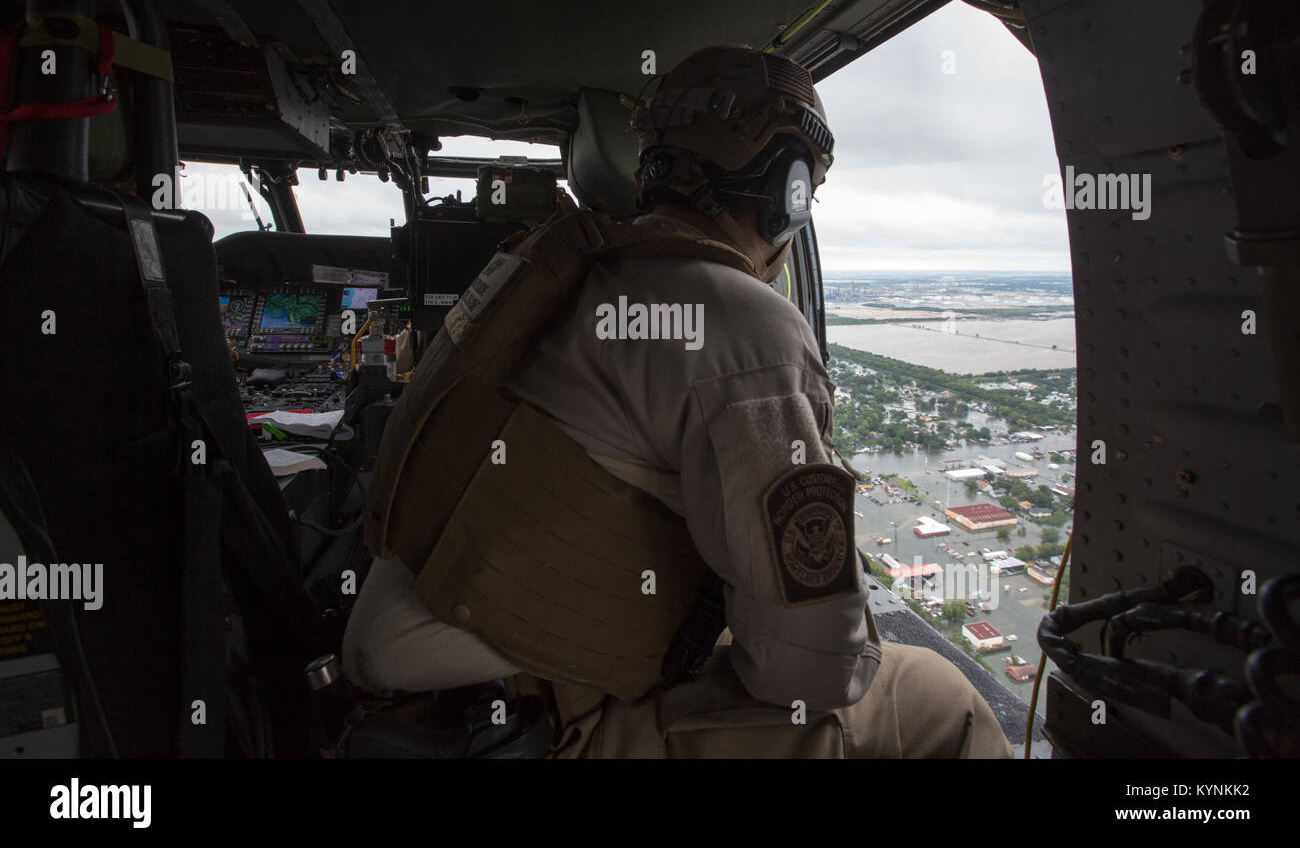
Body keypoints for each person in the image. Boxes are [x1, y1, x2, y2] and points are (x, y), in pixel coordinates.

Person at [345, 46, 1012, 758]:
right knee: (944, 704)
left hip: (401, 672)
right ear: (789, 191)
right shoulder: (743, 322)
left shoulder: (559, 270)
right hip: (516, 721)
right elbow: (811, 670)